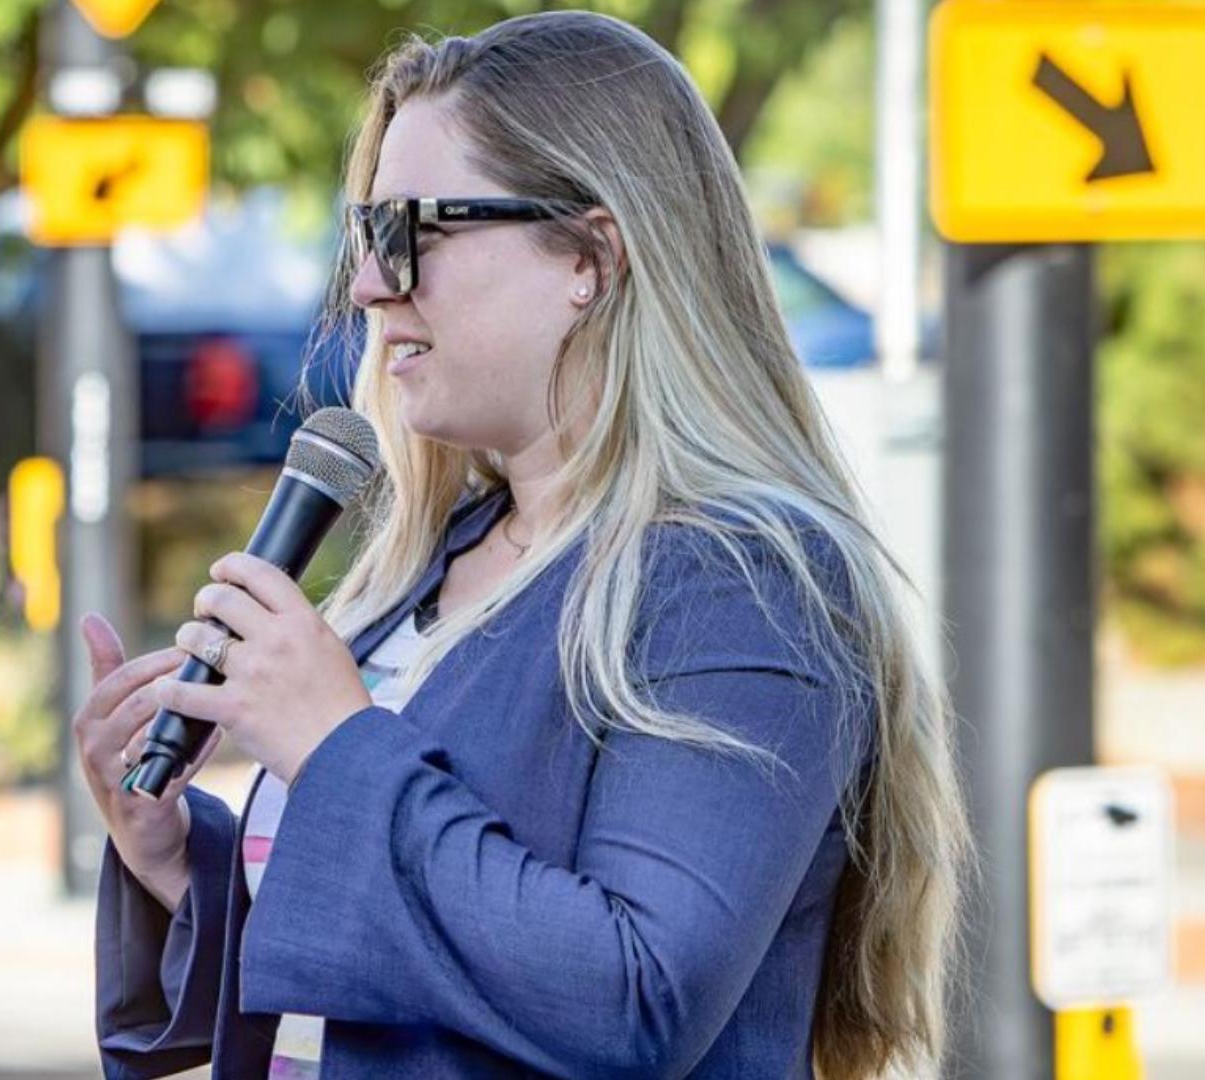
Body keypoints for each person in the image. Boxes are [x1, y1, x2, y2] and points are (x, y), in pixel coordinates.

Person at [72, 10, 971, 1078]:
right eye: (363, 235)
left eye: (411, 232)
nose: (367, 284)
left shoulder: (742, 582)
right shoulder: (433, 568)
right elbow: (383, 996)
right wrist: (180, 862)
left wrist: (333, 747)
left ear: (589, 256)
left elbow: (636, 994)